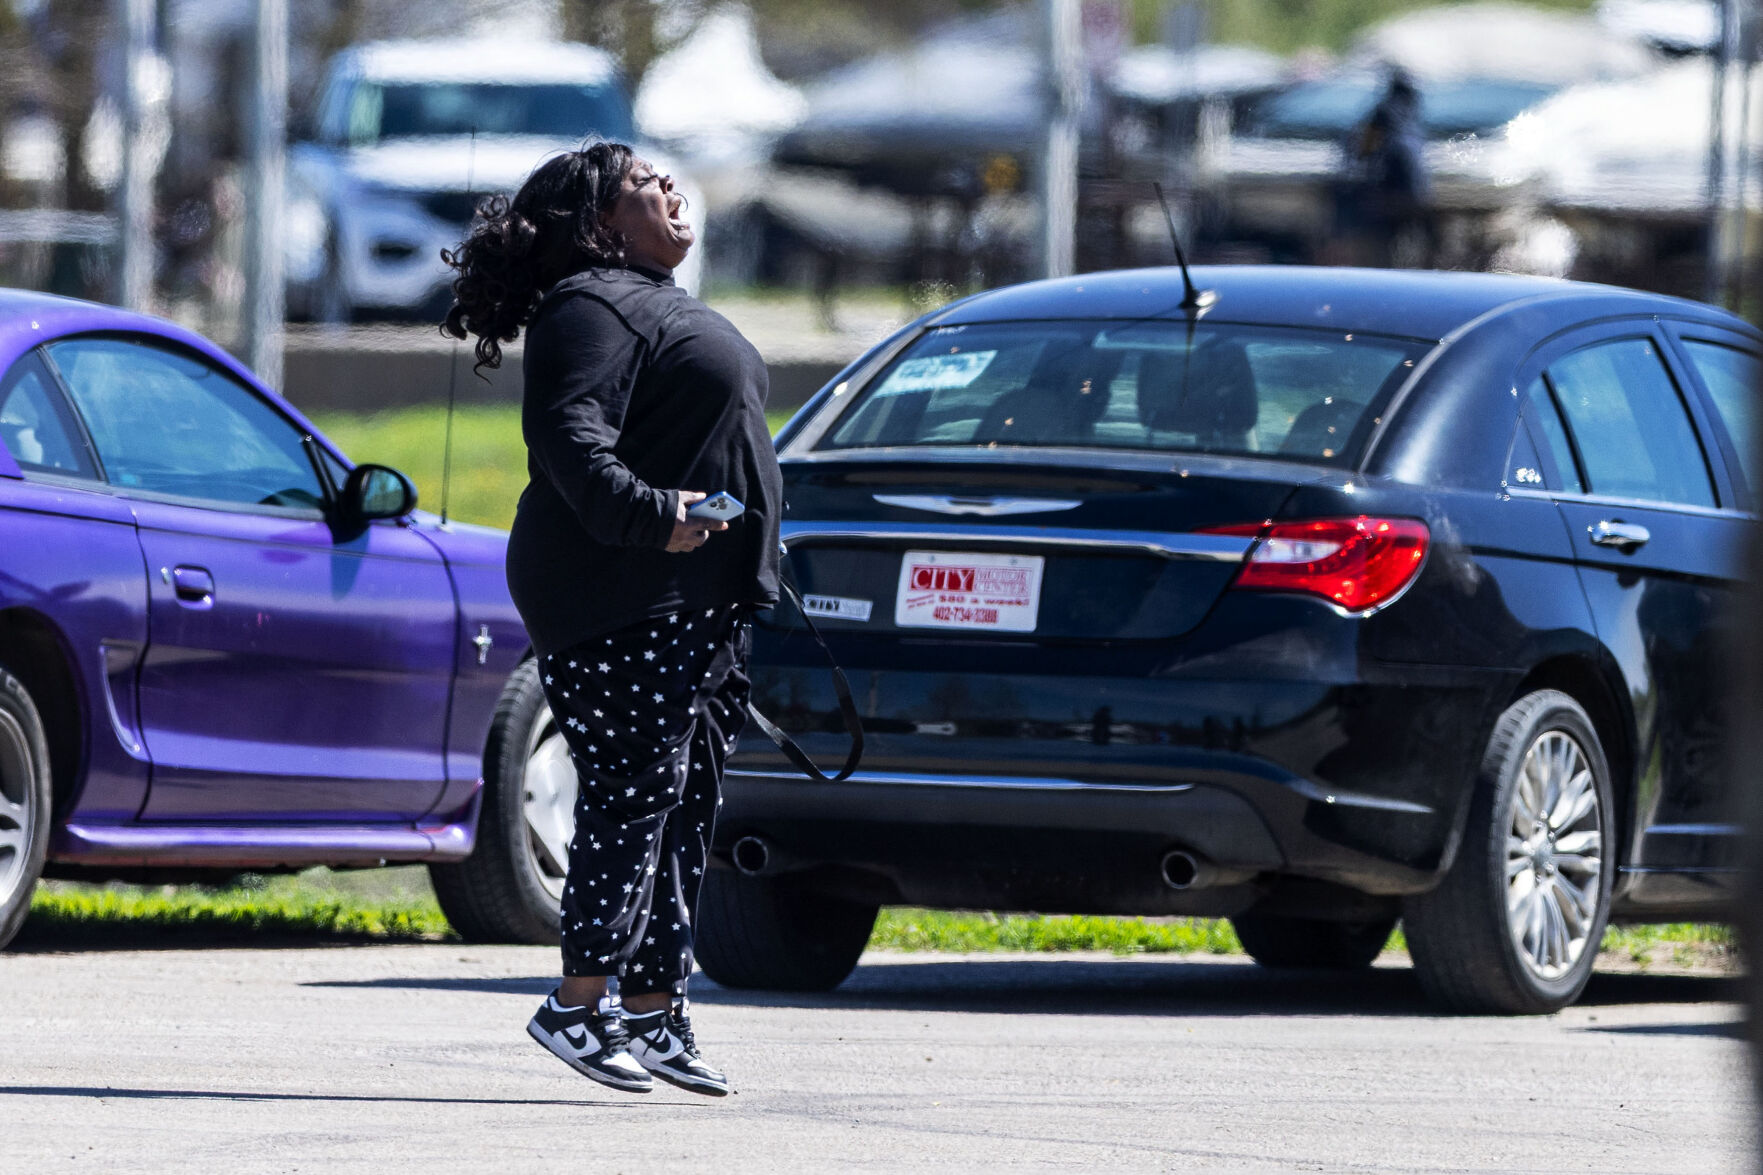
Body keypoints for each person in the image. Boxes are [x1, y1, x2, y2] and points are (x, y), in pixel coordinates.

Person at [441, 141, 782, 1096]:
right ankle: (575, 1002)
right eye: (643, 185)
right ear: (595, 224)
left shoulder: (654, 302)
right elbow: (567, 436)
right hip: (618, 591)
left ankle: (654, 1006)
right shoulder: (587, 306)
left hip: (699, 599)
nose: (670, 188)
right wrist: (657, 514)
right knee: (637, 788)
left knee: (685, 799)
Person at [1351, 67, 1432, 267]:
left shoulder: (1383, 110)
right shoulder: (1412, 111)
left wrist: (1361, 163)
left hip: (1393, 181)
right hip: (1415, 185)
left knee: (1386, 240)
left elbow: (1365, 146)